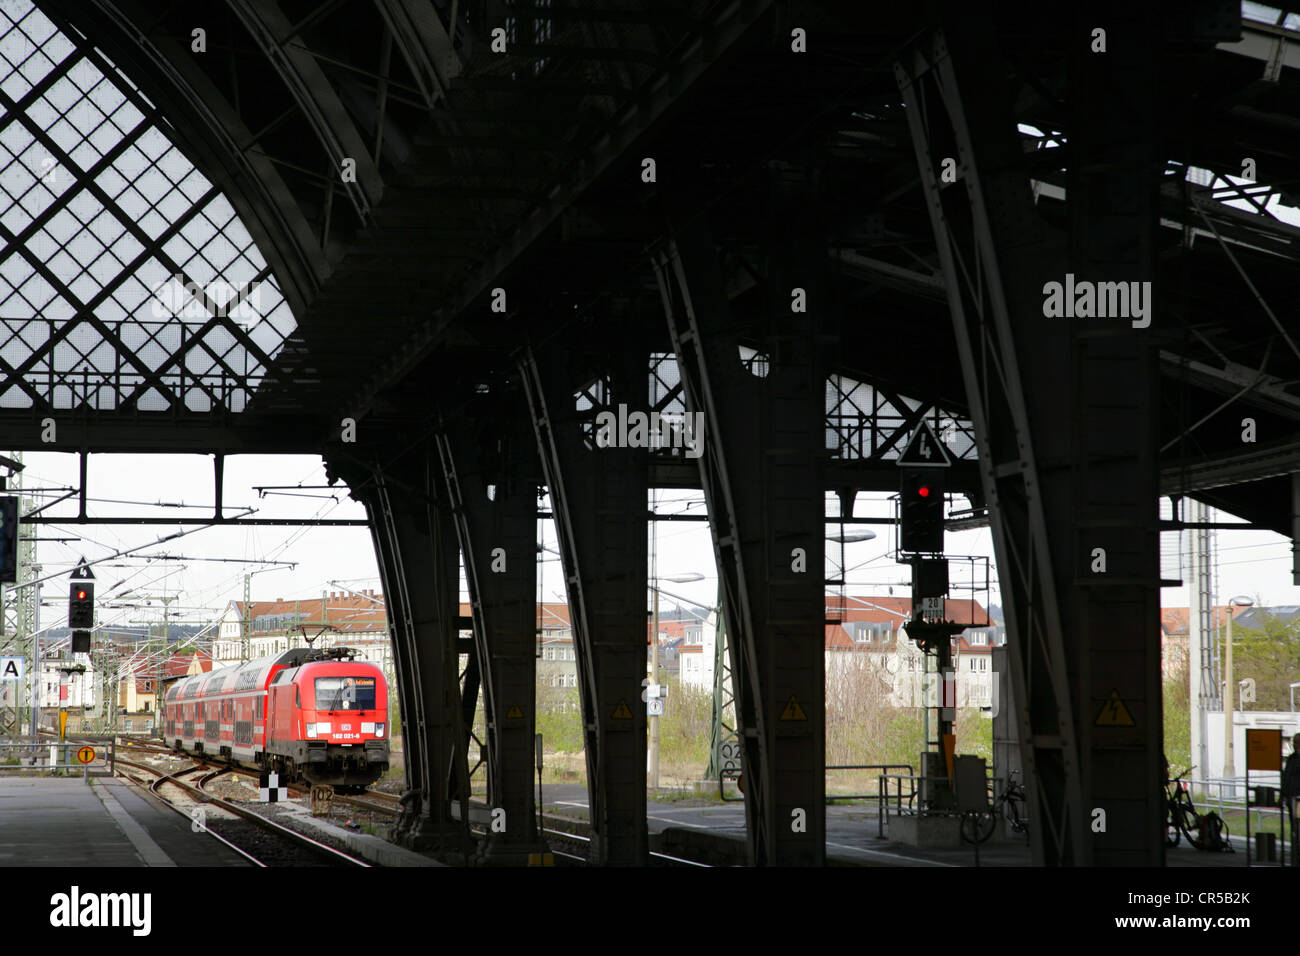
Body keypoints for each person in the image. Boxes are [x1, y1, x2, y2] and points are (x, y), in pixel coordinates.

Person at [1283, 733, 1300, 862]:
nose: (1294, 745)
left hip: (1298, 799)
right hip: (1291, 798)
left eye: (1297, 742)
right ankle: (1295, 852)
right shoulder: (1291, 759)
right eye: (1294, 742)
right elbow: (1286, 777)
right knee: (1293, 827)